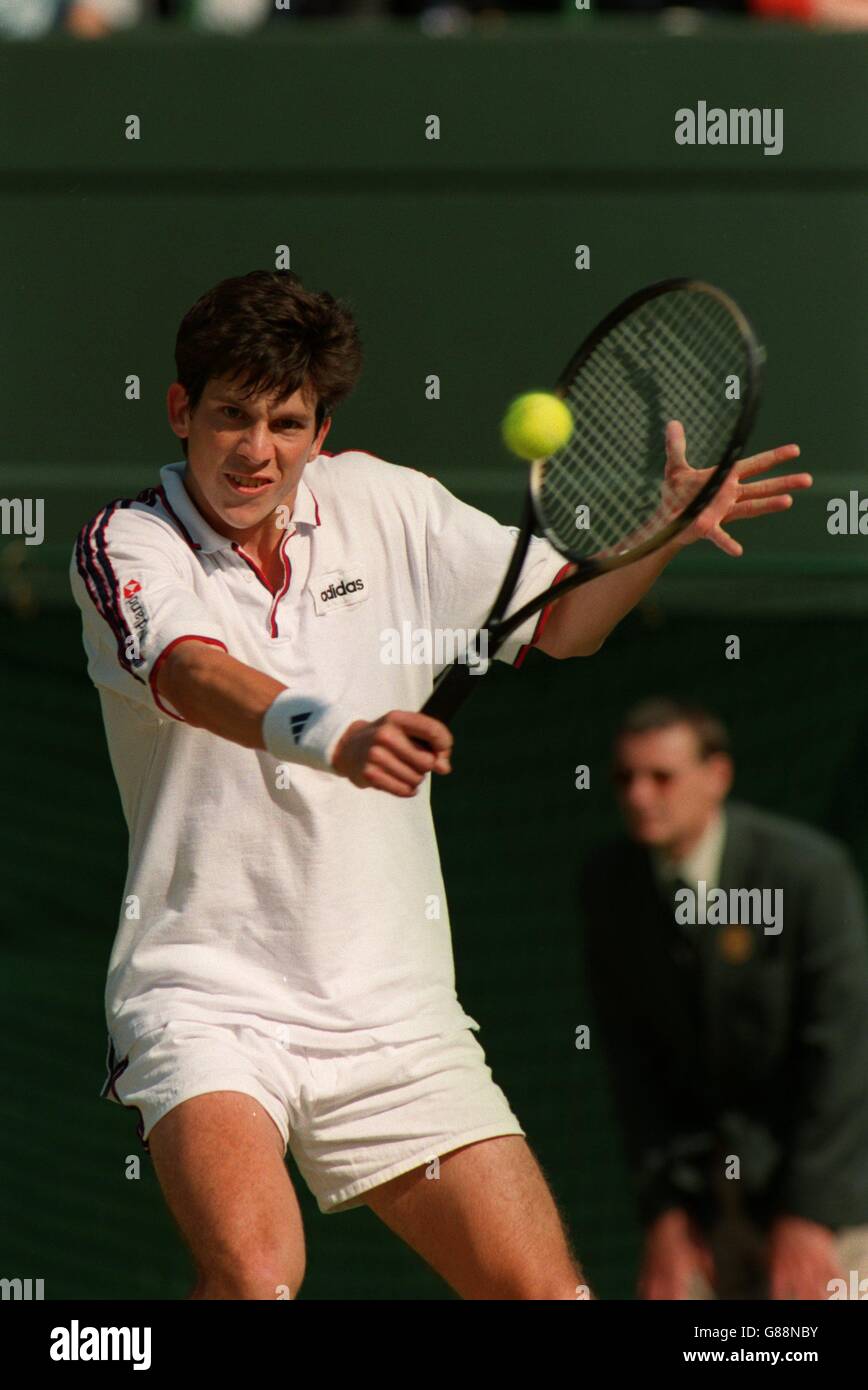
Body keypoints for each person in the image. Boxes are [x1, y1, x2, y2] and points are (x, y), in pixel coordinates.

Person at [71, 269, 808, 1300]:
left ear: (320, 431)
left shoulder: (387, 501)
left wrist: (658, 533)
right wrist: (334, 734)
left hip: (393, 1008)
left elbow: (565, 624)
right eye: (230, 416)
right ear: (181, 411)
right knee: (257, 1280)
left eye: (285, 423)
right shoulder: (128, 541)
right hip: (209, 995)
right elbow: (192, 674)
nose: (255, 449)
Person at [582, 698, 868, 1300]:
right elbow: (631, 1070)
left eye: (662, 776)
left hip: (833, 1198)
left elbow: (844, 1056)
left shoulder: (809, 875)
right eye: (625, 778)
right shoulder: (610, 888)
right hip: (705, 1205)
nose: (639, 795)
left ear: (718, 776)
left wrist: (810, 1219)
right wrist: (663, 1218)